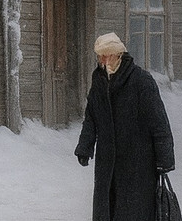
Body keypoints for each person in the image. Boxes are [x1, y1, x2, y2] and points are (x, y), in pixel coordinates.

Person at [75, 32, 175, 221]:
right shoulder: (99, 80)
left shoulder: (141, 81)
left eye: (107, 56)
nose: (103, 61)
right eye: (100, 56)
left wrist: (165, 160)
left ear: (119, 54)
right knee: (107, 210)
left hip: (138, 162)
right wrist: (84, 147)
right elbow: (91, 116)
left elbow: (159, 122)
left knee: (134, 211)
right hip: (107, 163)